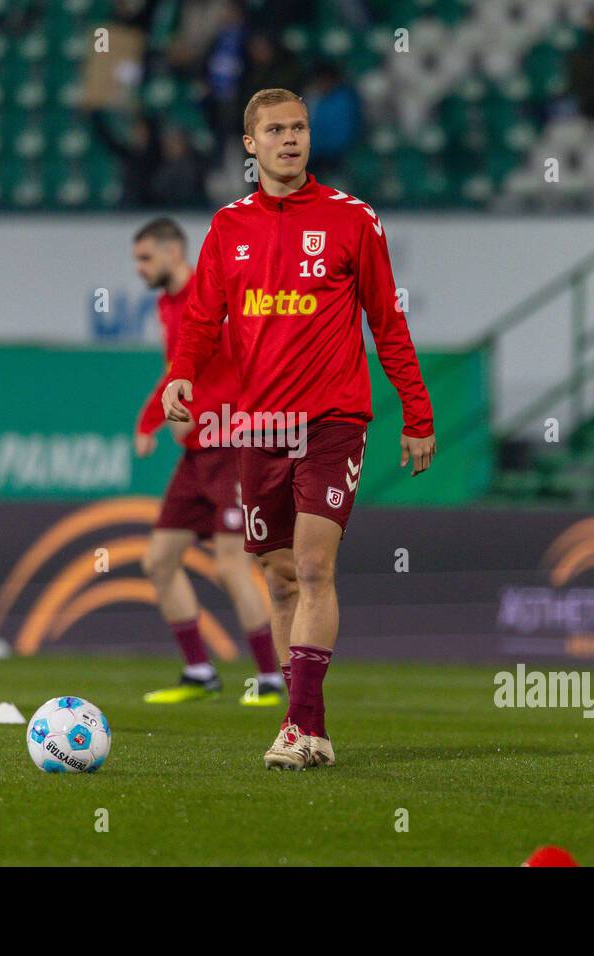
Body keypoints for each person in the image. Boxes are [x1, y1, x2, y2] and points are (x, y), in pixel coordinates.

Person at [161, 89, 436, 769]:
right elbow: (201, 317)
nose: (291, 139)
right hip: (257, 428)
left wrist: (417, 412)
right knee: (278, 577)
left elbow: (387, 323)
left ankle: (303, 724)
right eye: (275, 130)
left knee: (314, 566)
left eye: (300, 128)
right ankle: (302, 723)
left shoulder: (352, 220)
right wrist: (181, 374)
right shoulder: (228, 227)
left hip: (332, 420)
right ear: (250, 146)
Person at [132, 218, 283, 706]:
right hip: (197, 454)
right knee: (158, 560)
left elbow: (248, 359)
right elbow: (175, 369)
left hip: (233, 445)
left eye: (145, 258)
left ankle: (271, 677)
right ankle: (199, 670)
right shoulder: (167, 304)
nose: (140, 269)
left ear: (175, 252)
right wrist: (150, 420)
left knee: (232, 565)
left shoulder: (213, 296)